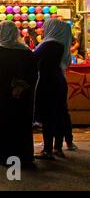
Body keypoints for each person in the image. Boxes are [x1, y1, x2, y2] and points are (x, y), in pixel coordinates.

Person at [0, 21, 37, 167]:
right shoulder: (26, 50)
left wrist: (8, 83)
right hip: (22, 96)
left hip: (3, 95)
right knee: (21, 124)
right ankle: (24, 155)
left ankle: (2, 155)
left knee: (3, 123)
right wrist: (20, 86)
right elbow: (33, 73)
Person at [33, 19, 74, 160]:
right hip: (59, 82)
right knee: (59, 115)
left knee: (48, 116)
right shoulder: (63, 45)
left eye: (46, 27)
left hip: (48, 82)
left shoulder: (49, 44)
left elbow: (32, 58)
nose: (43, 29)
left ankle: (48, 150)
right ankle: (58, 148)